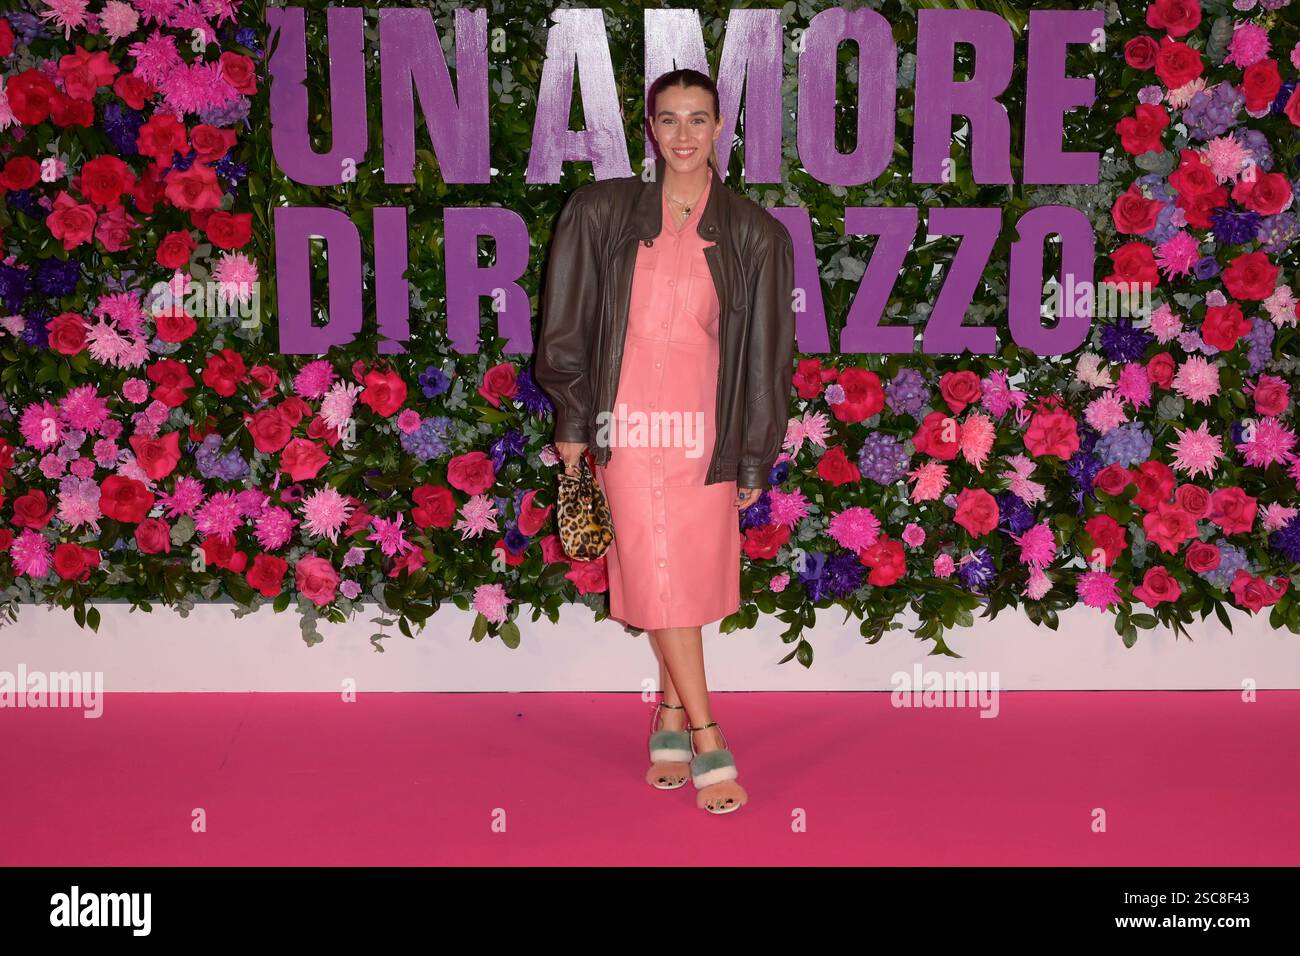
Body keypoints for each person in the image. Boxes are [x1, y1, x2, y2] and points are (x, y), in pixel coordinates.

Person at [534, 69, 796, 814]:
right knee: (657, 574)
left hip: (698, 427)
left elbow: (767, 356)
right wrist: (576, 424)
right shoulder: (599, 212)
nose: (684, 135)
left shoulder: (756, 234)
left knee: (684, 575)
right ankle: (709, 732)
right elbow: (566, 327)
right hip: (624, 425)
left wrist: (753, 451)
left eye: (699, 120)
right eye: (670, 120)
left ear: (720, 129)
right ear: (650, 127)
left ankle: (671, 713)